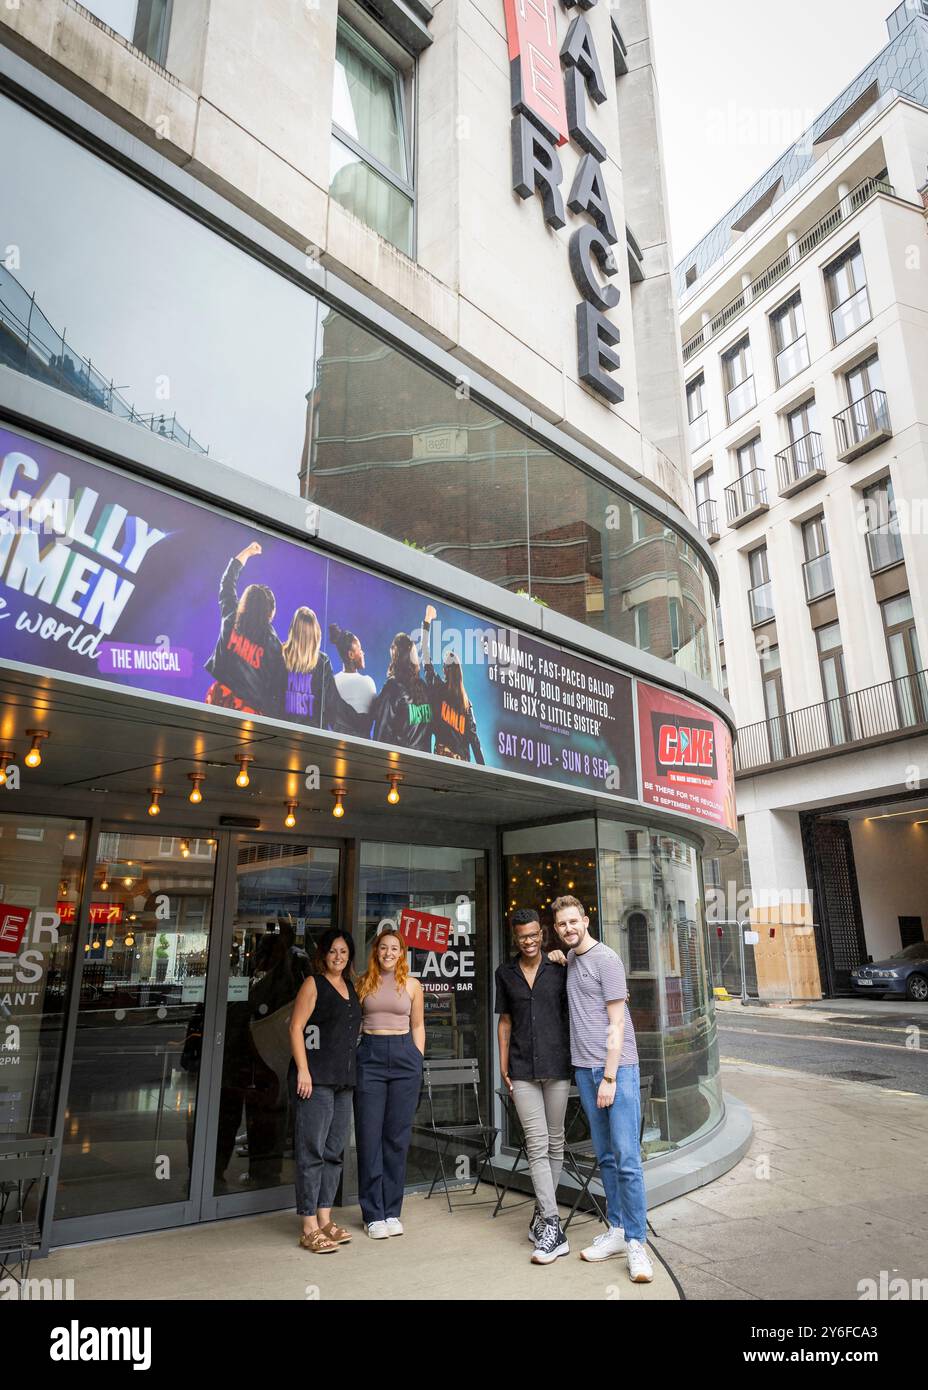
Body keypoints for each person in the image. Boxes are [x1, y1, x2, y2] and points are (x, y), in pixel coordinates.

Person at [551, 894, 654, 1283]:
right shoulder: (573, 958)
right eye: (562, 924)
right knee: (607, 1157)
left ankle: (637, 1244)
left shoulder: (607, 960)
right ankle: (616, 1229)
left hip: (617, 1070)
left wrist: (609, 1077)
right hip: (585, 1069)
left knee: (627, 1158)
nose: (568, 929)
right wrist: (556, 957)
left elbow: (618, 1022)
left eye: (573, 922)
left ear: (586, 920)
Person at [495, 908, 571, 1264]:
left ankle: (542, 1216)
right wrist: (503, 1062)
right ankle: (553, 1225)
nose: (529, 941)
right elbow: (505, 1021)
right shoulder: (505, 973)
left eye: (534, 935)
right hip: (522, 1068)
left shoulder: (559, 967)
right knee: (537, 1142)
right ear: (515, 938)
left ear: (542, 934)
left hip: (557, 1065)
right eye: (522, 936)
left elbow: (584, 1000)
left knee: (555, 1143)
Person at [288, 928, 361, 1253]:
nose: (338, 957)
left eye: (344, 952)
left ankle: (325, 1218)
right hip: (314, 1080)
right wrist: (303, 1069)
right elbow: (296, 1027)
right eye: (333, 951)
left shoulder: (351, 988)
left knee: (334, 1153)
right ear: (324, 954)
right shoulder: (313, 984)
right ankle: (307, 1225)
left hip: (344, 1082)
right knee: (312, 1152)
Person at [354, 928, 425, 1238]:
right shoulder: (362, 983)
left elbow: (418, 1025)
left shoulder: (412, 985)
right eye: (383, 948)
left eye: (394, 948)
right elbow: (352, 1024)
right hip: (369, 1056)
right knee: (370, 1137)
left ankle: (392, 1211)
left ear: (401, 953)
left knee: (396, 1137)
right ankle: (373, 1214)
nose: (388, 953)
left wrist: (417, 1059)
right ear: (376, 951)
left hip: (403, 1056)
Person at [205, 541, 286, 715]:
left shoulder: (231, 616)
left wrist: (247, 553)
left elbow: (227, 582)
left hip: (218, 697)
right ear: (270, 611)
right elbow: (277, 689)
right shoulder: (273, 645)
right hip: (247, 712)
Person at [370, 605, 437, 752]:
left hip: (399, 769)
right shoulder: (424, 688)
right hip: (423, 769)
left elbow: (380, 737)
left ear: (395, 657)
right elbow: (427, 659)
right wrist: (426, 622)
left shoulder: (392, 688)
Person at [282, 606, 358, 732]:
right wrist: (359, 720)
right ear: (316, 632)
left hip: (279, 735)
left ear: (293, 630)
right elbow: (334, 707)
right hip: (312, 740)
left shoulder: (280, 653)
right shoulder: (322, 662)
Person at [427, 648, 485, 764]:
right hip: (461, 764)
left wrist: (424, 637)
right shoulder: (466, 704)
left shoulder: (439, 689)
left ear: (445, 670)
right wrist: (484, 770)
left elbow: (427, 665)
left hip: (442, 759)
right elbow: (474, 741)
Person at [328, 622, 378, 737]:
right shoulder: (368, 682)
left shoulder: (332, 682)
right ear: (351, 654)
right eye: (359, 649)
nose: (362, 653)